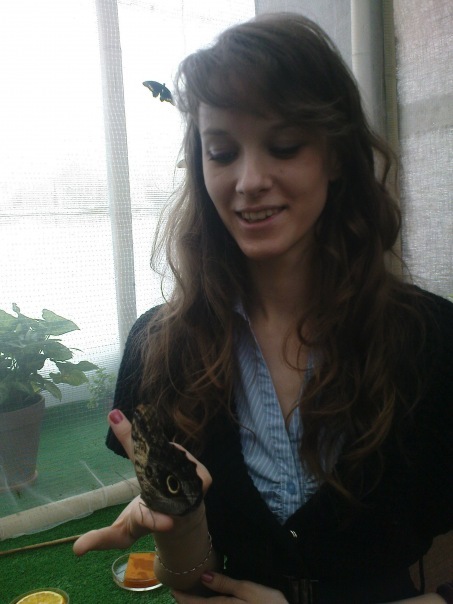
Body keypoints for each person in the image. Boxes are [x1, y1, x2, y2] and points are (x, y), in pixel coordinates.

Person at [74, 13, 453, 604]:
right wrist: (180, 523)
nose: (249, 180)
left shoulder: (433, 339)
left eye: (284, 146)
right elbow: (191, 582)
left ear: (335, 155)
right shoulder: (162, 350)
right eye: (222, 152)